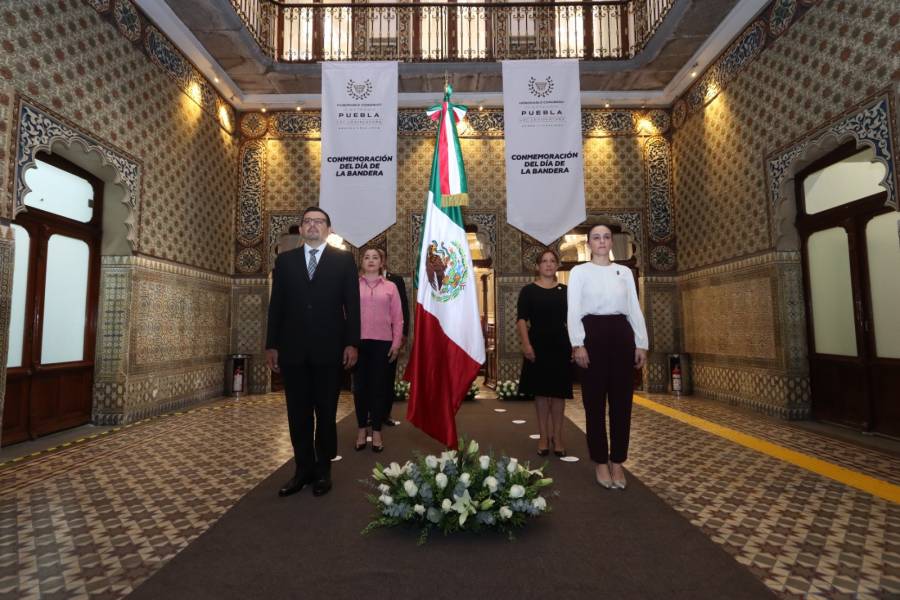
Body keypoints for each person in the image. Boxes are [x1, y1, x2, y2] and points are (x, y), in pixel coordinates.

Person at [265, 206, 360, 498]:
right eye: (308, 222)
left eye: (319, 222)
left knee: (326, 411)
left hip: (329, 350)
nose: (313, 226)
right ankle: (302, 469)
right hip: (293, 351)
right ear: (301, 229)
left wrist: (352, 343)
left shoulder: (343, 261)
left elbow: (352, 306)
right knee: (298, 413)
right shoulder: (285, 261)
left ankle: (323, 471)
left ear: (329, 230)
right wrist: (272, 344)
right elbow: (276, 305)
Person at [567, 224, 648, 490]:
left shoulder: (623, 272)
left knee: (622, 404)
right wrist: (578, 344)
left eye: (606, 237)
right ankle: (600, 462)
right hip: (592, 336)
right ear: (589, 243)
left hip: (622, 336)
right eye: (596, 237)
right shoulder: (579, 272)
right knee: (594, 403)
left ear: (612, 242)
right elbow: (574, 310)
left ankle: (618, 462)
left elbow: (634, 309)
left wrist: (641, 343)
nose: (601, 241)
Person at [516, 249, 573, 457]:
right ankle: (543, 436)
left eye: (552, 261)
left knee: (558, 395)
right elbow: (521, 319)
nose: (549, 264)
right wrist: (526, 344)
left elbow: (573, 320)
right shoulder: (528, 291)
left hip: (560, 344)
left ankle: (557, 437)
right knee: (540, 394)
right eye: (544, 261)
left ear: (557, 265)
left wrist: (575, 345)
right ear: (538, 266)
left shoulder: (566, 291)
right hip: (537, 344)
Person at [353, 248, 404, 452]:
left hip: (383, 343)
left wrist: (396, 343)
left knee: (378, 389)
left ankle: (376, 432)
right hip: (358, 344)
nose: (371, 260)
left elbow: (398, 318)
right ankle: (360, 430)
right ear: (362, 263)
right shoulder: (353, 286)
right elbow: (345, 315)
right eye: (367, 257)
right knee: (360, 389)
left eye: (375, 257)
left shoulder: (391, 287)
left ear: (381, 262)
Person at [377, 248, 409, 427]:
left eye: (380, 257)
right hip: (370, 337)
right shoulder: (361, 281)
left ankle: (385, 414)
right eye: (372, 257)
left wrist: (403, 334)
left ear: (384, 260)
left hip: (391, 337)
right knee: (371, 379)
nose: (376, 260)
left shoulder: (395, 280)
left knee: (388, 377)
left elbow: (403, 307)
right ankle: (369, 414)